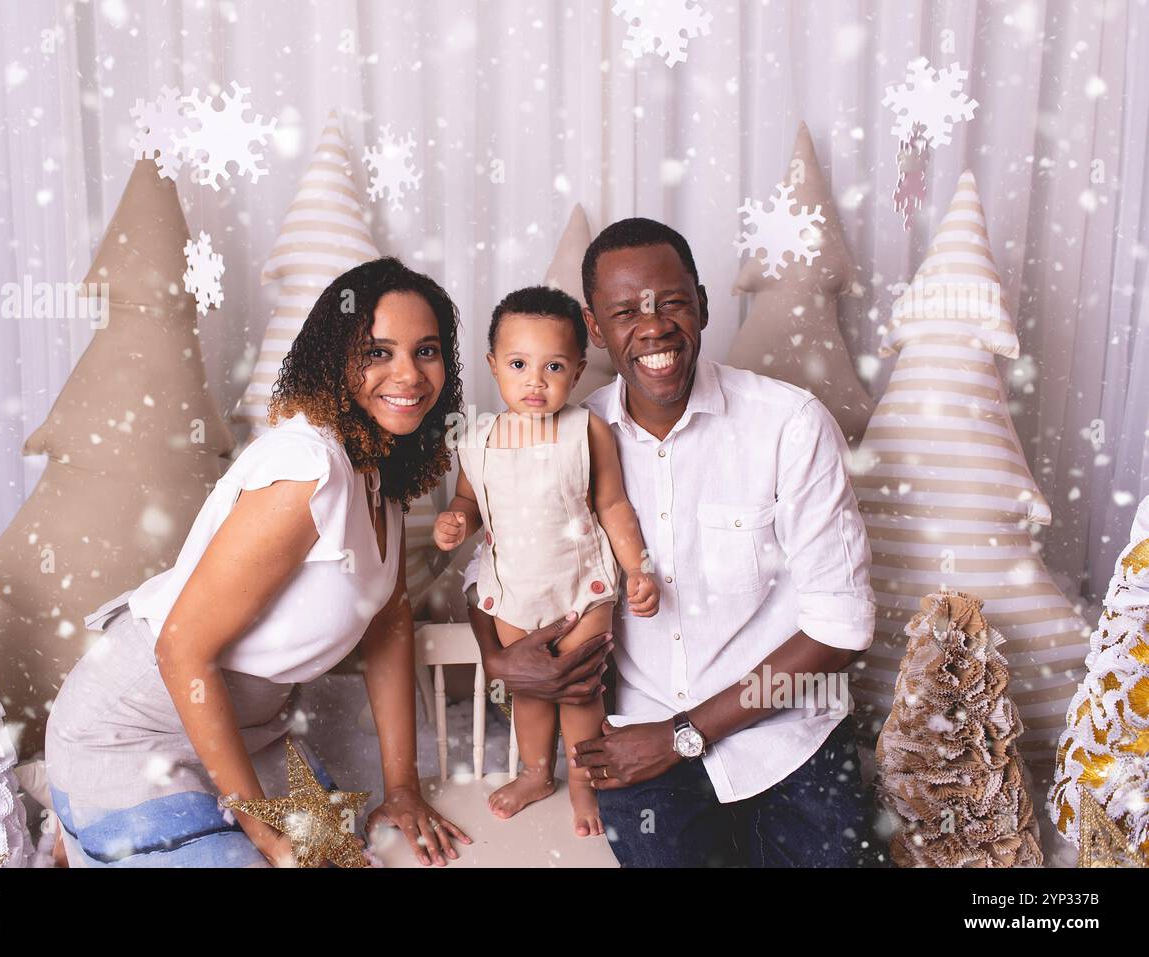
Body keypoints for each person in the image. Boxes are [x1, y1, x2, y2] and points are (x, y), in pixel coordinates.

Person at [464, 218, 879, 866]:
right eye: (625, 311)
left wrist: (683, 735)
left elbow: (841, 628)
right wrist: (497, 658)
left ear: (703, 306)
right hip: (636, 742)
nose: (653, 326)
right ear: (594, 328)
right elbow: (489, 563)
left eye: (673, 303)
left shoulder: (790, 425)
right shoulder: (566, 435)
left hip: (787, 738)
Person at [45, 257, 472, 867]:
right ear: (335, 360)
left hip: (246, 732)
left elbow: (389, 621)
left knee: (342, 857)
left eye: (426, 351)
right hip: (132, 729)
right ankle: (80, 822)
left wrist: (401, 787)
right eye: (378, 352)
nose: (408, 374)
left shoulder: (379, 469)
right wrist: (264, 832)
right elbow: (181, 649)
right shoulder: (308, 467)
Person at [433, 286, 659, 837]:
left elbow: (613, 505)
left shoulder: (586, 431)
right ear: (493, 365)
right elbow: (469, 500)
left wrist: (638, 569)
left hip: (582, 587)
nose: (535, 381)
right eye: (519, 365)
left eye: (553, 366)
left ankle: (583, 781)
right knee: (530, 690)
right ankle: (536, 773)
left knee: (580, 689)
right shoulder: (477, 440)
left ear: (578, 370)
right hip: (512, 589)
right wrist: (456, 520)